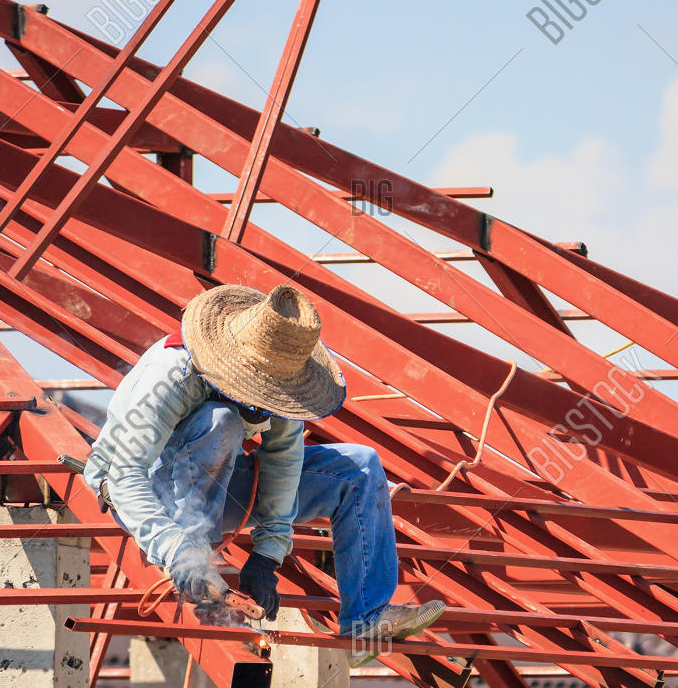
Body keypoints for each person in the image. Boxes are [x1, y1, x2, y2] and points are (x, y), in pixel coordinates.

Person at [82, 282, 444, 664]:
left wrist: (268, 555)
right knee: (221, 422)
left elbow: (283, 464)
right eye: (257, 395)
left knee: (360, 467)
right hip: (148, 498)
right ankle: (196, 562)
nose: (265, 409)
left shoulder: (283, 379)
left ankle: (365, 621)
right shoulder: (172, 375)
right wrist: (180, 553)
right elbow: (123, 475)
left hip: (220, 484)